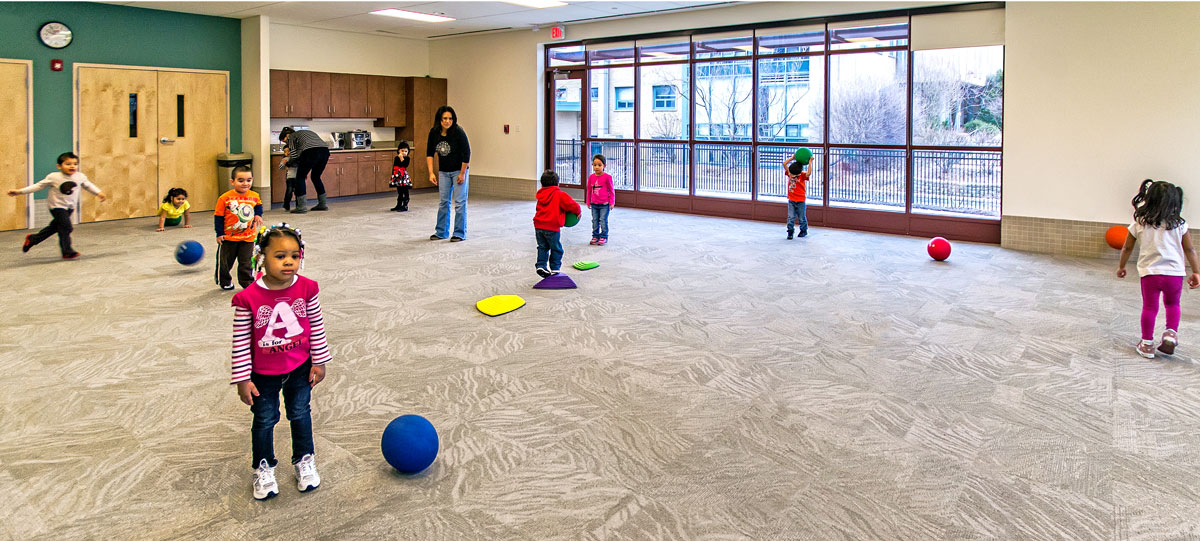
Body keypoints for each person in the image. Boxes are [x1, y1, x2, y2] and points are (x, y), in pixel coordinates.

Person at [231, 224, 331, 500]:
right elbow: (240, 341)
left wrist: (319, 360)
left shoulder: (307, 288)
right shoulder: (247, 298)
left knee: (300, 413)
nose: (289, 262)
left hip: (300, 367)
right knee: (264, 419)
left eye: (294, 256)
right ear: (261, 257)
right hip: (262, 373)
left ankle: (304, 458)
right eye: (279, 256)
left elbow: (316, 326)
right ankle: (263, 466)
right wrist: (242, 378)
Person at [1117, 179, 1200, 358]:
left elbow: (1127, 248)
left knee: (1149, 307)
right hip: (1174, 274)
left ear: (1149, 199)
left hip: (1150, 274)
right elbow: (1190, 249)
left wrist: (1122, 266)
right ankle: (1170, 333)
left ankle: (1147, 344)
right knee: (1172, 304)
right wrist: (1196, 271)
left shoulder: (1139, 223)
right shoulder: (1179, 225)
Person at [7, 151, 106, 259]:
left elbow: (88, 185)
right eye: (68, 164)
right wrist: (20, 191)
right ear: (59, 166)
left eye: (75, 164)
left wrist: (98, 193)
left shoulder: (80, 176)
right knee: (66, 227)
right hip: (57, 207)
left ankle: (33, 239)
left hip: (69, 207)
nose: (72, 166)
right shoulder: (54, 177)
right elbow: (38, 186)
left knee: (56, 227)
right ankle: (67, 251)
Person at [215, 166, 264, 290]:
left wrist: (258, 214)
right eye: (240, 180)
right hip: (229, 238)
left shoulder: (254, 195)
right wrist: (219, 233)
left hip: (248, 237)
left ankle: (247, 282)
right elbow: (219, 217)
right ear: (232, 181)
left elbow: (258, 206)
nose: (245, 183)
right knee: (226, 262)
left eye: (248, 180)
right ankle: (225, 281)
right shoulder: (224, 198)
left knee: (246, 262)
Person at [426, 106, 471, 241]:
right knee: (444, 202)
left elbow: (466, 153)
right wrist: (431, 173)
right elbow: (429, 153)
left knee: (460, 202)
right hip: (444, 172)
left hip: (459, 170)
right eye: (445, 118)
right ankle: (441, 232)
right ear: (439, 120)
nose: (447, 121)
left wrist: (462, 173)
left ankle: (459, 233)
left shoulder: (458, 132)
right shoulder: (434, 133)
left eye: (450, 118)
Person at [533, 170, 581, 277]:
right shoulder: (560, 195)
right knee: (556, 248)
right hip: (552, 227)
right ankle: (555, 269)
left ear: (542, 184)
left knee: (542, 247)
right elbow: (572, 205)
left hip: (538, 226)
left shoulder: (540, 194)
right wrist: (578, 212)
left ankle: (541, 266)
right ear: (557, 184)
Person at [279, 127, 330, 214]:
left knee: (300, 177)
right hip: (325, 151)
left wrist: (287, 162)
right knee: (316, 177)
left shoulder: (291, 137)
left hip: (311, 151)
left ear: (286, 136)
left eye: (284, 141)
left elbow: (295, 155)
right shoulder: (305, 133)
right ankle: (323, 204)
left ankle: (301, 207)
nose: (286, 143)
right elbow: (300, 153)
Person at [781, 153, 813, 240]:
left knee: (802, 217)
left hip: (800, 200)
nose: (791, 176)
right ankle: (790, 231)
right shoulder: (790, 172)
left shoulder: (802, 175)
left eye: (794, 175)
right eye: (790, 174)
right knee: (790, 217)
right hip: (791, 200)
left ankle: (803, 230)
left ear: (798, 173)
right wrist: (792, 158)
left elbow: (809, 173)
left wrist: (810, 162)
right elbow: (784, 164)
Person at [585, 154, 615, 246]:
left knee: (603, 220)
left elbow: (611, 190)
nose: (596, 167)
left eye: (599, 165)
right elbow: (589, 190)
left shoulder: (607, 177)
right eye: (594, 165)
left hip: (604, 204)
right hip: (594, 203)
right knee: (594, 220)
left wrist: (612, 202)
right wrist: (588, 201)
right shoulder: (591, 177)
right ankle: (595, 236)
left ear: (604, 166)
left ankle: (604, 236)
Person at [389, 142, 412, 212]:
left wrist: (402, 158)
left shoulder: (407, 158)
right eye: (402, 151)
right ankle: (399, 205)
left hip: (404, 177)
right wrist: (393, 176)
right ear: (398, 150)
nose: (404, 153)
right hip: (398, 176)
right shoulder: (396, 158)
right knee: (400, 191)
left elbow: (404, 165)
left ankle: (405, 205)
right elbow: (394, 166)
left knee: (405, 191)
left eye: (406, 151)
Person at [280, 146, 299, 212]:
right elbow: (281, 167)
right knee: (289, 191)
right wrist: (284, 164)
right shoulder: (285, 159)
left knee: (298, 192)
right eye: (285, 152)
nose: (287, 153)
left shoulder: (297, 158)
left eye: (289, 151)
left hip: (297, 177)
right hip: (290, 177)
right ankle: (286, 204)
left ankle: (298, 205)